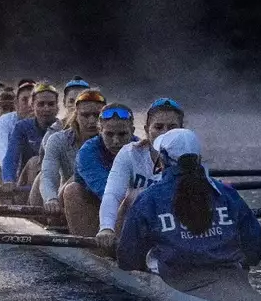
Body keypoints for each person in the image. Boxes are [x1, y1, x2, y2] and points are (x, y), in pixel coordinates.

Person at [107, 128, 261, 301]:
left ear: (163, 160)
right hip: (232, 280)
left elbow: (129, 259)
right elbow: (254, 246)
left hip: (176, 281)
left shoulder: (148, 199)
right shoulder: (227, 193)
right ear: (198, 159)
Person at [96, 97, 185, 241]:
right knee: (135, 197)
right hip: (138, 226)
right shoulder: (129, 153)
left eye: (172, 127)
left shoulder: (189, 156)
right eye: (158, 127)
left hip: (175, 225)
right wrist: (106, 227)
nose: (165, 133)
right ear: (146, 130)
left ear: (182, 131)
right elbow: (112, 194)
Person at [62, 102, 136, 235]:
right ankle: (91, 249)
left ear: (133, 131)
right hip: (93, 204)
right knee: (72, 190)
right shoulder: (87, 152)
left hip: (124, 206)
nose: (116, 141)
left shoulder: (141, 148)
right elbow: (106, 192)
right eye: (109, 134)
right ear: (100, 131)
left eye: (122, 134)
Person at [36, 89, 106, 213]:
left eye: (97, 115)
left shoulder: (115, 140)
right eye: (85, 115)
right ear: (75, 115)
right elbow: (48, 176)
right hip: (67, 198)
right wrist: (51, 199)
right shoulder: (57, 139)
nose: (91, 121)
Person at [4, 82, 59, 187]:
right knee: (35, 162)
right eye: (41, 104)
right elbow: (11, 158)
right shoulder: (21, 127)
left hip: (54, 186)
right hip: (26, 188)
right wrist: (8, 180)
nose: (46, 109)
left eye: (51, 104)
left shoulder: (64, 129)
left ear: (57, 107)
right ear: (32, 105)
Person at [0, 80, 35, 184]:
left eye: (33, 101)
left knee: (34, 162)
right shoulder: (4, 121)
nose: (29, 105)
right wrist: (10, 177)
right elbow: (1, 150)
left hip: (34, 175)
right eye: (25, 100)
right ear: (16, 104)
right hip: (11, 175)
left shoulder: (50, 122)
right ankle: (8, 198)